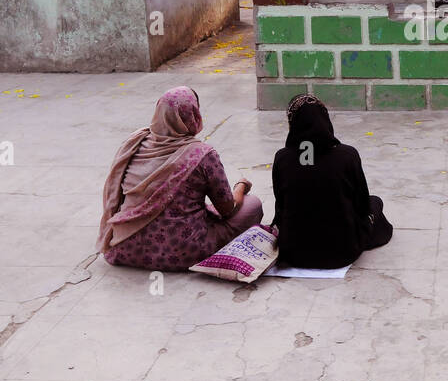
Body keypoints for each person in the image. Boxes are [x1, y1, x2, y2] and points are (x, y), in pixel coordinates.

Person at [98, 86, 262, 271]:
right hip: (183, 252)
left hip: (124, 247)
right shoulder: (202, 154)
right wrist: (241, 186)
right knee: (252, 205)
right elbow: (227, 209)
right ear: (193, 114)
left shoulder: (134, 143)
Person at [271, 94, 392, 269]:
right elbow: (362, 204)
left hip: (294, 253)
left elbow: (280, 205)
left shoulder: (282, 158)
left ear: (293, 124)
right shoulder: (347, 156)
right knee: (375, 203)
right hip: (342, 252)